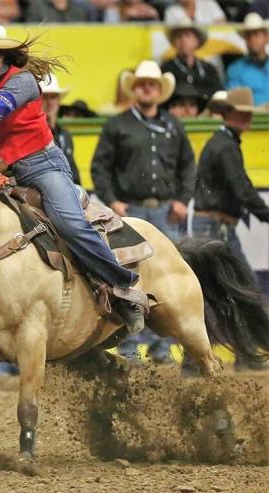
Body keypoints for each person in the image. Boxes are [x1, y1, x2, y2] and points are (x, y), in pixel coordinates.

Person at [0, 22, 147, 334]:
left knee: (70, 223)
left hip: (41, 165)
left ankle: (122, 288)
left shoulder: (22, 82)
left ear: (1, 55)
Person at [91, 60, 196, 363]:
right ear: (135, 89)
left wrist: (181, 199)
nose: (147, 88)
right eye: (142, 84)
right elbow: (101, 167)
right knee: (129, 278)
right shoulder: (117, 125)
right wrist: (113, 201)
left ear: (159, 90)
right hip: (130, 210)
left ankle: (162, 348)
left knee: (166, 279)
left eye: (152, 84)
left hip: (166, 210)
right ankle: (128, 346)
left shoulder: (173, 126)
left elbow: (188, 165)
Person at [192, 87, 269, 371]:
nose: (245, 118)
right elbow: (241, 189)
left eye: (247, 114)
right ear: (228, 114)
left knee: (214, 292)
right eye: (240, 113)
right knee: (241, 288)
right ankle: (246, 354)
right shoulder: (225, 146)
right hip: (217, 227)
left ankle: (198, 358)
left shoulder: (222, 143)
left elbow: (241, 187)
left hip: (213, 225)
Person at [160, 19, 223, 101]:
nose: (183, 40)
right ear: (174, 42)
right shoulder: (166, 69)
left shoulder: (208, 69)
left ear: (197, 41)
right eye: (179, 36)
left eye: (188, 35)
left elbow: (218, 94)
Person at [40, 74, 81, 185]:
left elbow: (74, 172)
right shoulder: (31, 134)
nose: (49, 102)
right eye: (45, 97)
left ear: (59, 101)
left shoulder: (65, 135)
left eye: (53, 97)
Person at [227, 13, 269, 105]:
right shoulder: (235, 69)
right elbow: (236, 102)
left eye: (256, 34)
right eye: (248, 36)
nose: (252, 39)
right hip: (251, 118)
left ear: (266, 38)